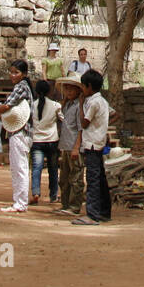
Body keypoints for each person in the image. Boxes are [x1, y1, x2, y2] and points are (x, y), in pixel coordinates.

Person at [0, 59, 34, 213]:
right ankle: (19, 201)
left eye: (16, 72)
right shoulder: (23, 87)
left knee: (19, 167)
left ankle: (20, 202)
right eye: (11, 71)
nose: (12, 75)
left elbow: (8, 105)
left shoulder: (21, 87)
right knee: (18, 167)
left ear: (24, 74)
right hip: (19, 131)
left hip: (21, 131)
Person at [73, 69, 111, 225]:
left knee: (93, 179)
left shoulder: (94, 102)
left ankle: (93, 214)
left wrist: (81, 104)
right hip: (98, 142)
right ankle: (104, 211)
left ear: (88, 86)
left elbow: (84, 123)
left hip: (92, 144)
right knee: (100, 179)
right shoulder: (102, 101)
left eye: (83, 86)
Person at [54, 72, 85, 216]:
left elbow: (80, 129)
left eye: (71, 88)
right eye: (66, 89)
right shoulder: (66, 106)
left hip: (73, 146)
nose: (68, 91)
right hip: (65, 145)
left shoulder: (79, 106)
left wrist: (76, 148)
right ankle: (65, 204)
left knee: (76, 178)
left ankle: (74, 206)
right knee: (64, 179)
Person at [29, 78, 62, 205]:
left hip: (37, 140)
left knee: (36, 168)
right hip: (52, 140)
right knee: (53, 169)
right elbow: (63, 120)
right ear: (49, 92)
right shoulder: (56, 106)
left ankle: (36, 193)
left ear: (36, 92)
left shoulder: (32, 106)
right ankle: (53, 195)